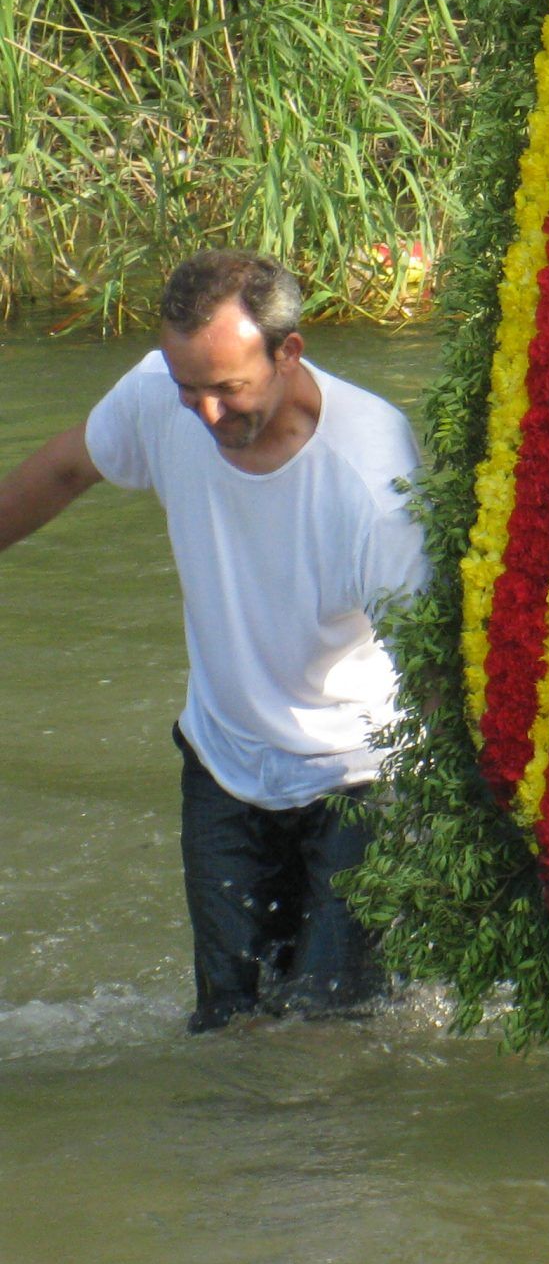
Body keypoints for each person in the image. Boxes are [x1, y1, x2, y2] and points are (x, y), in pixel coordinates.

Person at [0, 250, 428, 1029]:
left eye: (228, 390)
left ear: (288, 353)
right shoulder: (161, 399)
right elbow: (63, 470)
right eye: (187, 388)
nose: (204, 415)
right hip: (225, 764)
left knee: (333, 1033)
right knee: (229, 1030)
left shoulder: (371, 477)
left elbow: (430, 667)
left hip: (363, 780)